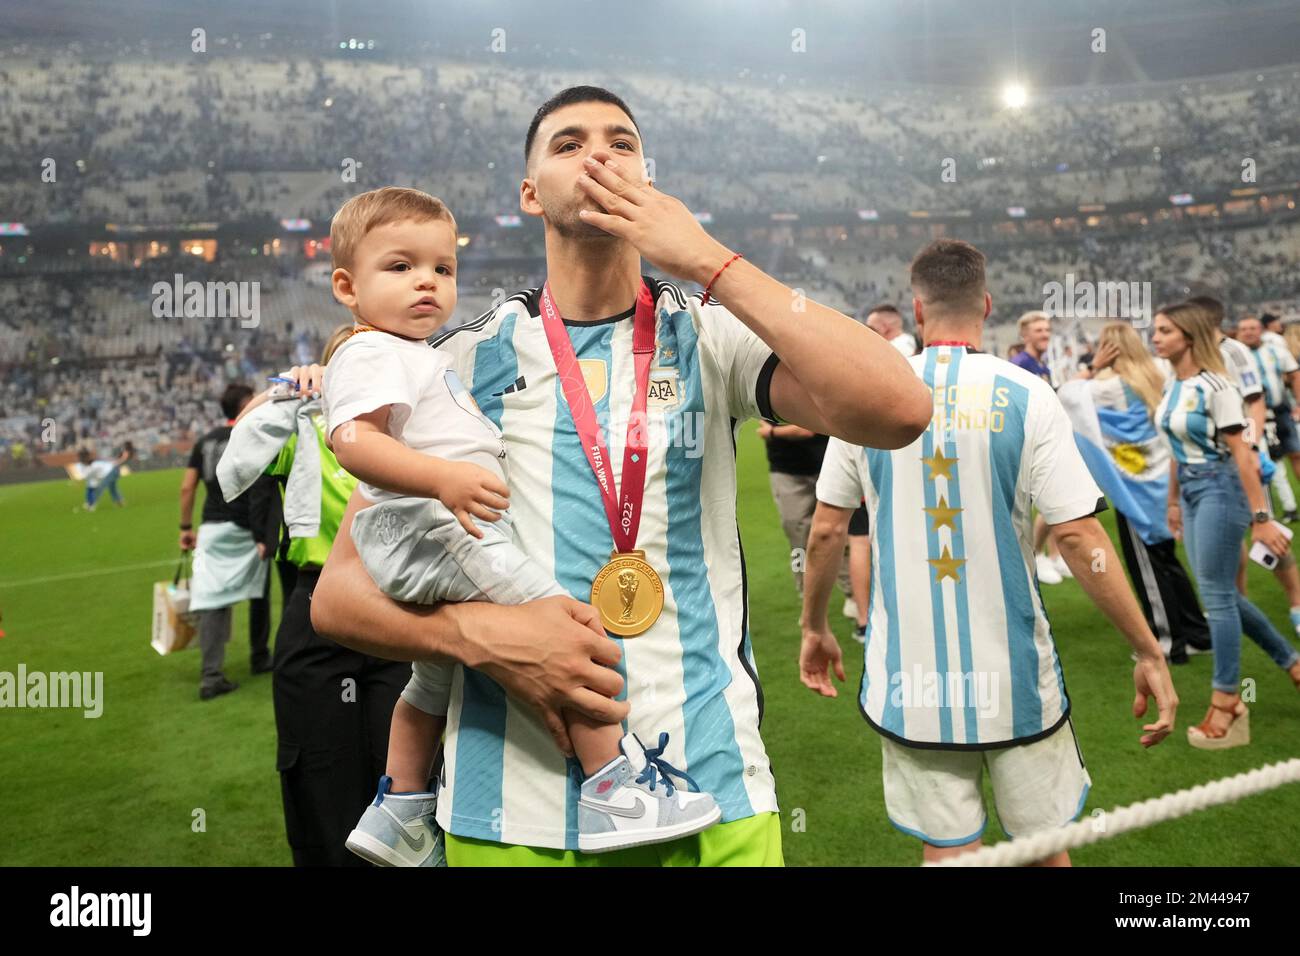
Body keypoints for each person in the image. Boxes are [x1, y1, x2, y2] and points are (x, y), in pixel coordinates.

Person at [309, 85, 932, 866]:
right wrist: (478, 637)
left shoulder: (708, 333)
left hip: (714, 790)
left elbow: (900, 407)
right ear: (531, 194)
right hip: (511, 807)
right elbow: (338, 598)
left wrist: (707, 258)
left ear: (648, 178)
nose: (598, 155)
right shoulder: (458, 361)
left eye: (621, 143)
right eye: (568, 144)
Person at [320, 185, 723, 860]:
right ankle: (612, 790)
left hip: (421, 530)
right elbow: (352, 443)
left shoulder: (418, 354)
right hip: (433, 527)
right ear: (346, 285)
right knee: (566, 628)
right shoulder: (369, 352)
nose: (427, 282)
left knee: (430, 680)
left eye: (442, 269)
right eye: (400, 267)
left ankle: (399, 807)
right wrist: (442, 478)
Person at [799, 239, 1177, 865]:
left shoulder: (863, 397)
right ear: (987, 305)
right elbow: (1080, 537)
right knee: (1045, 850)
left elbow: (825, 533)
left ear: (917, 312)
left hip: (910, 683)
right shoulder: (1028, 393)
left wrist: (815, 625)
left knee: (948, 854)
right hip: (1016, 679)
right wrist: (1145, 648)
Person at [219, 325, 415, 867]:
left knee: (401, 781)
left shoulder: (412, 427)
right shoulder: (305, 427)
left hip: (398, 613)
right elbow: (243, 430)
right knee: (320, 774)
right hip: (318, 613)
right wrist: (288, 387)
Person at [1152, 303, 1300, 749]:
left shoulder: (1218, 387)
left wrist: (1261, 519)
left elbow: (1243, 455)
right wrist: (1174, 500)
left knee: (1218, 598)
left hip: (1224, 487)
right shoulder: (1172, 383)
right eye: (1155, 330)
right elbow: (1177, 448)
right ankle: (1292, 663)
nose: (1155, 338)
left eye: (1164, 331)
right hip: (1195, 491)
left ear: (1189, 336)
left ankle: (1227, 700)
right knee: (1224, 595)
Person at [1075, 323, 1212, 664]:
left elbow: (1066, 396)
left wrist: (1092, 365)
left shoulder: (1103, 388)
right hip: (1165, 483)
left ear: (1108, 349)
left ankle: (1168, 642)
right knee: (1169, 560)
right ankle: (1197, 632)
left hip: (1133, 488)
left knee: (1148, 570)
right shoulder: (1158, 376)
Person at [180, 383, 274, 699]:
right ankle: (259, 656)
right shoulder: (253, 435)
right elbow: (261, 485)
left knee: (211, 601)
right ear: (247, 404)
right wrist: (263, 535)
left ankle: (211, 674)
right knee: (258, 593)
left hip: (212, 528)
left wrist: (185, 527)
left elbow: (187, 488)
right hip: (246, 529)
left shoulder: (204, 441)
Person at [758, 420, 856, 615]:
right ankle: (806, 592)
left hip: (827, 466)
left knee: (840, 533)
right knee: (797, 536)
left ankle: (851, 592)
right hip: (786, 469)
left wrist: (773, 432)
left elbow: (805, 431)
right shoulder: (769, 389)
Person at [1013, 311, 1068, 583]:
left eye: (1047, 330)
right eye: (1039, 330)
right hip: (1031, 443)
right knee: (1048, 501)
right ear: (1025, 335)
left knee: (1055, 500)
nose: (1045, 334)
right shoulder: (1021, 364)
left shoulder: (1041, 365)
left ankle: (1054, 555)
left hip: (1047, 439)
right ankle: (1036, 555)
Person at [1238, 315, 1300, 523]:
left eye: (1252, 328)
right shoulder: (1234, 355)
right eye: (1244, 329)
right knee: (1253, 460)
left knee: (1288, 457)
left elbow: (1294, 374)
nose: (1249, 332)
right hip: (1247, 417)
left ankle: (1289, 507)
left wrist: (1298, 404)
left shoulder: (1275, 350)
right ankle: (1264, 512)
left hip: (1278, 411)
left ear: (1260, 330)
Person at [77, 443, 133, 510]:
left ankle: (91, 504)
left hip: (112, 471)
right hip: (113, 470)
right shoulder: (93, 463)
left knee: (101, 487)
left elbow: (89, 475)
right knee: (112, 488)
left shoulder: (93, 464)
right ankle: (120, 502)